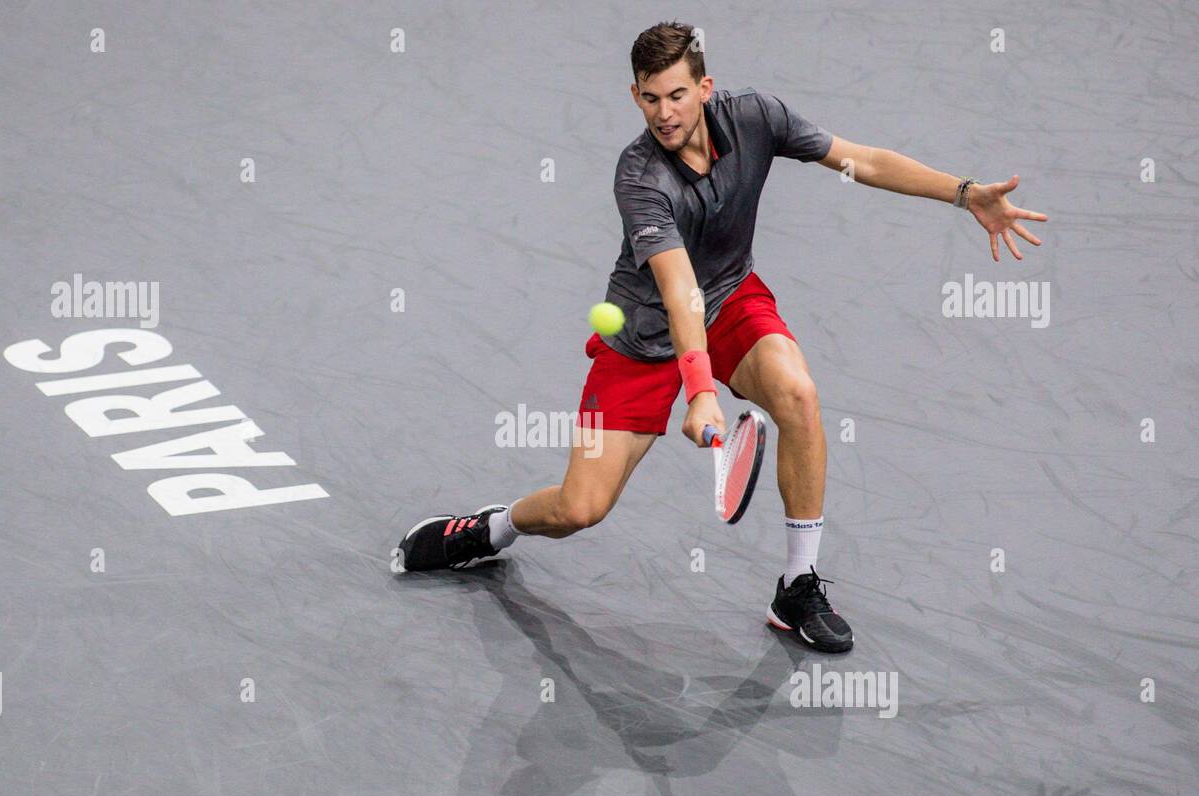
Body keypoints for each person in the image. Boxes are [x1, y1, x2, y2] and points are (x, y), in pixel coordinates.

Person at [396, 21, 1046, 653]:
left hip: (730, 300)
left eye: (677, 94)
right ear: (635, 98)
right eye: (650, 98)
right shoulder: (640, 177)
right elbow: (679, 291)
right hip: (644, 342)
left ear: (705, 88)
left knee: (796, 393)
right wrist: (700, 392)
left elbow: (862, 160)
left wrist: (964, 195)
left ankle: (797, 586)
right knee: (577, 510)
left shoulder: (757, 116)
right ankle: (489, 530)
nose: (664, 112)